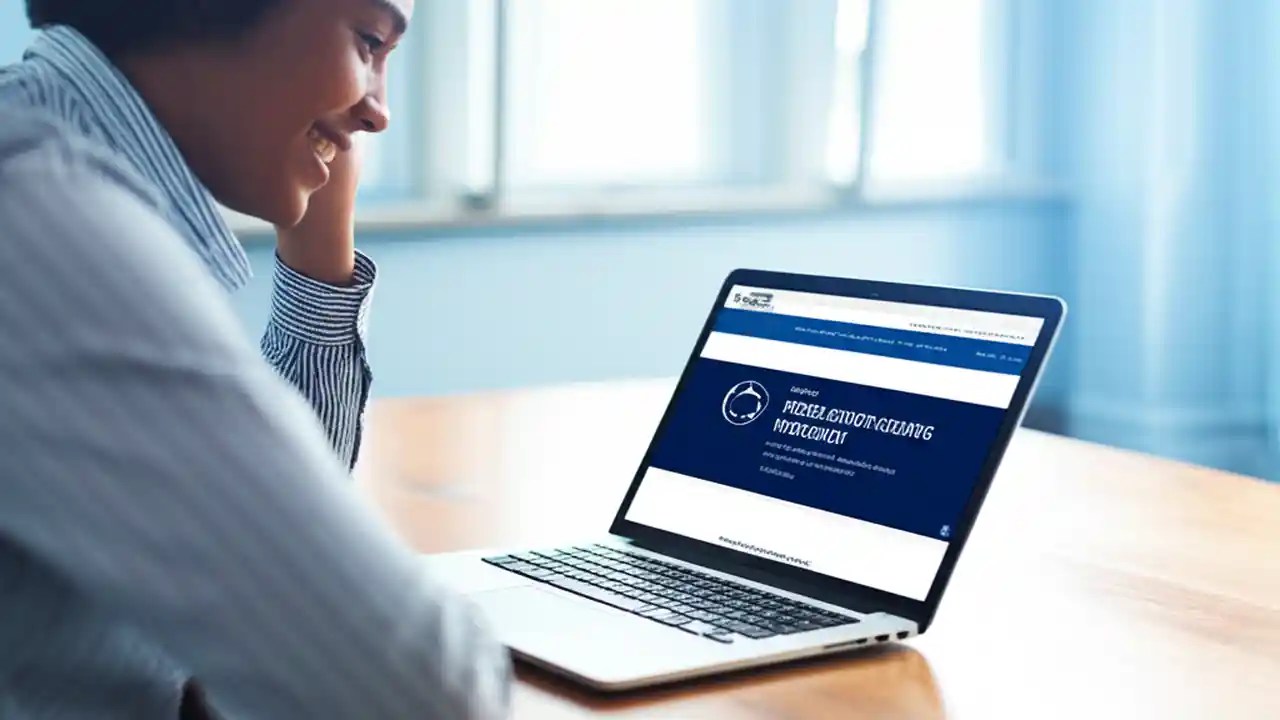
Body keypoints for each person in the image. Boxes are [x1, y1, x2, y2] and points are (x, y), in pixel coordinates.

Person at [0, 1, 511, 717]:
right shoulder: (40, 216)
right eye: (367, 43)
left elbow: (272, 549)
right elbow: (410, 689)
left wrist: (320, 249)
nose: (379, 114)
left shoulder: (57, 163)